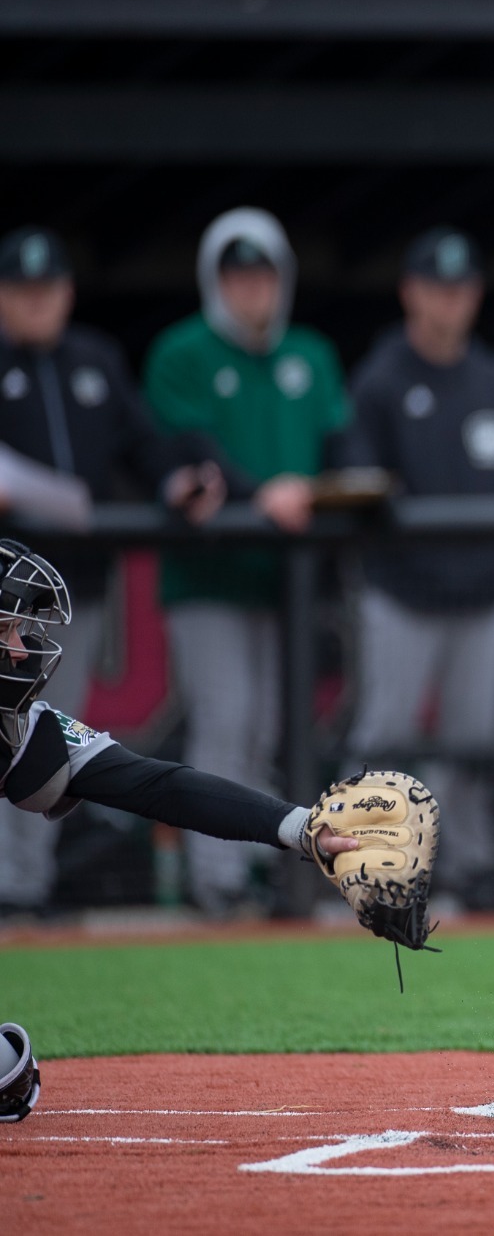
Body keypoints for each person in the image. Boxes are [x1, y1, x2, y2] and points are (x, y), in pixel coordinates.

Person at [0, 540, 362, 1120]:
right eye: (6, 632)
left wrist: (301, 828)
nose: (21, 651)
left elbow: (158, 786)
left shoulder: (19, 726)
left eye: (19, 630)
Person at [0, 225, 231, 917]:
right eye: (22, 288)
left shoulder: (95, 361)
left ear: (67, 291)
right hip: (4, 595)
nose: (37, 300)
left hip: (74, 587)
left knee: (46, 741)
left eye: (48, 287)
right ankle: (11, 885)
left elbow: (144, 445)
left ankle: (28, 885)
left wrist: (176, 483)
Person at [143, 208, 351, 914]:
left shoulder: (311, 354)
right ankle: (217, 880)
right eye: (237, 275)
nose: (252, 287)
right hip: (208, 576)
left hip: (287, 583)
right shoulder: (183, 351)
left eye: (263, 274)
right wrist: (263, 492)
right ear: (215, 280)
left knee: (270, 729)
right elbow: (185, 448)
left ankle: (261, 871)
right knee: (225, 720)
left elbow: (341, 443)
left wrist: (325, 490)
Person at [341, 228, 494, 905]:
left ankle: (464, 867)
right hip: (402, 592)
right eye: (436, 288)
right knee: (386, 735)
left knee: (473, 743)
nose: (449, 301)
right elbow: (358, 480)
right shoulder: (381, 379)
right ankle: (365, 865)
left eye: (460, 288)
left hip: (483, 597)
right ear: (410, 292)